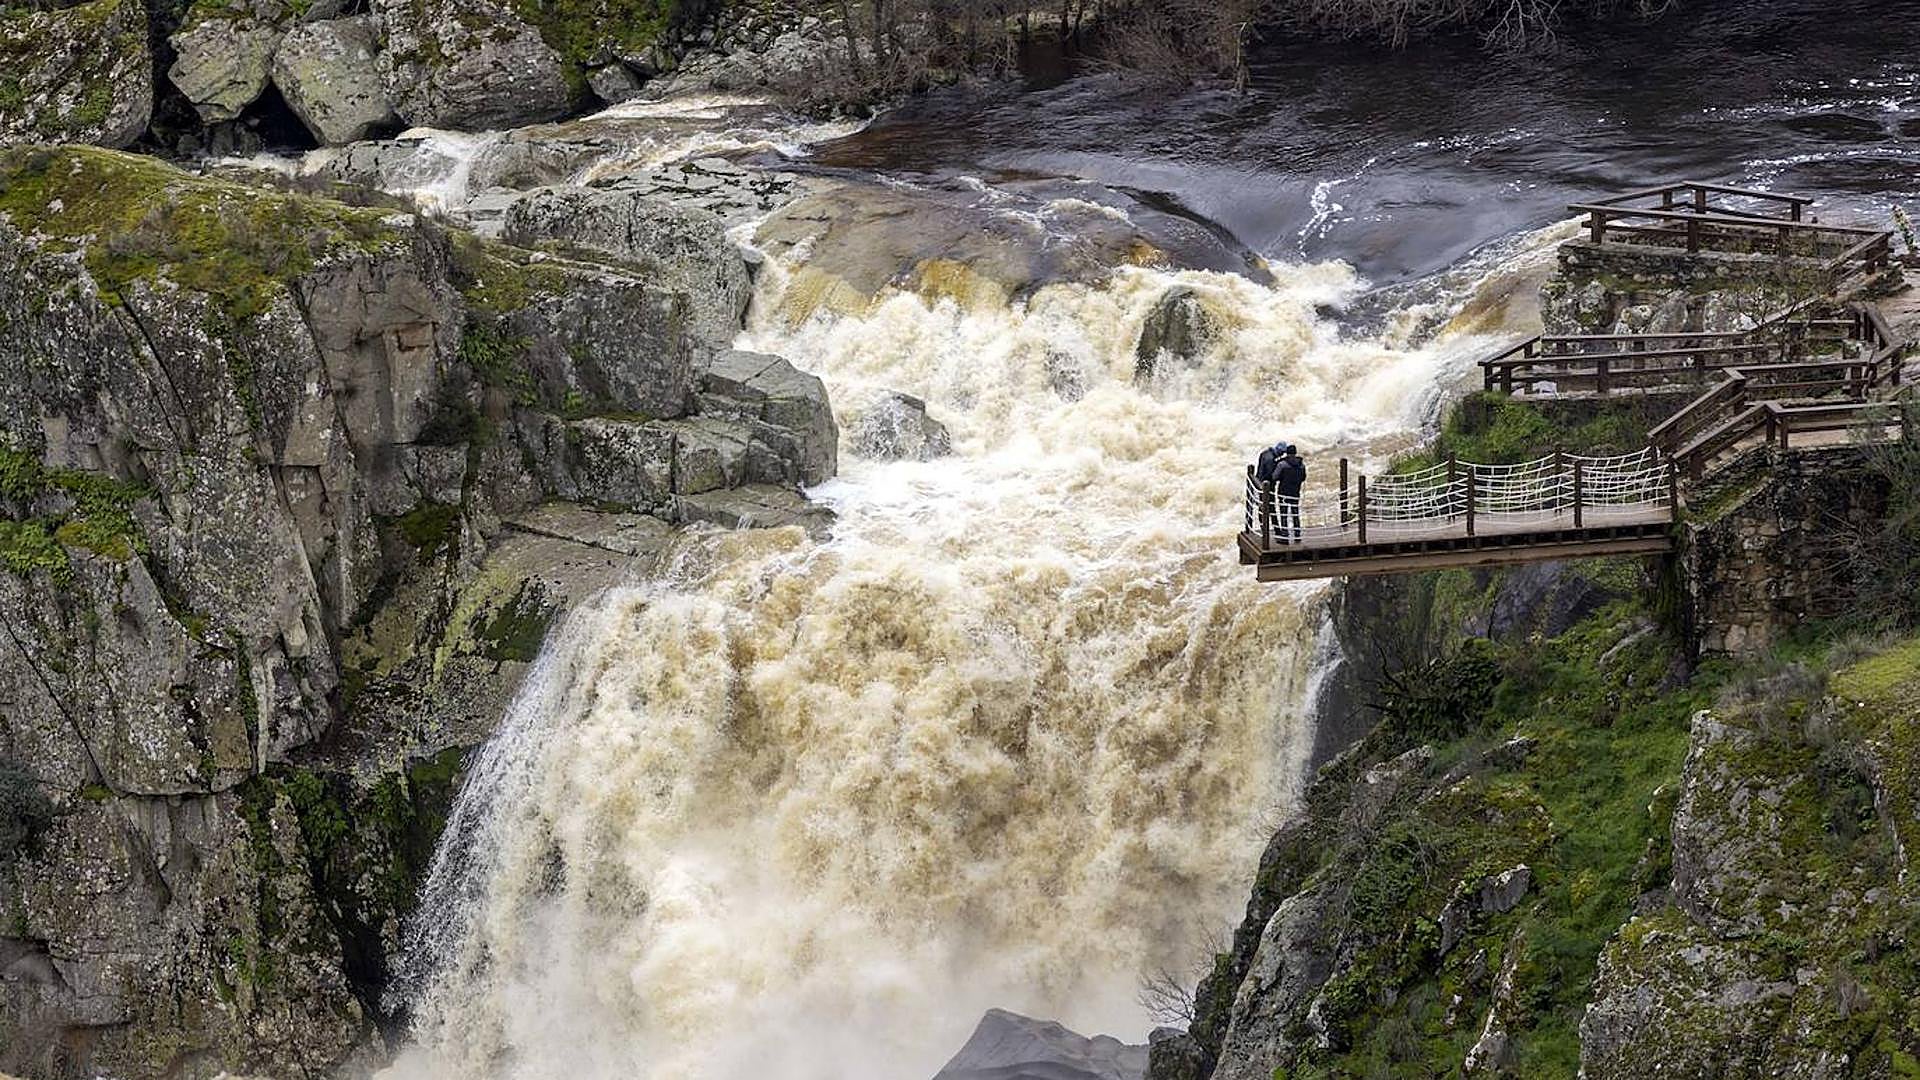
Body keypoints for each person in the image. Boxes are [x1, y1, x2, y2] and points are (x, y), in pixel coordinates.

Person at [1274, 445, 1306, 544]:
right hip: (1295, 492)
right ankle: (1297, 535)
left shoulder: (1282, 464)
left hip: (1283, 492)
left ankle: (1285, 536)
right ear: (1295, 453)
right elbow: (1303, 477)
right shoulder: (1301, 465)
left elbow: (1275, 477)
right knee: (1295, 514)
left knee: (1284, 515)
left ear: (1287, 453)